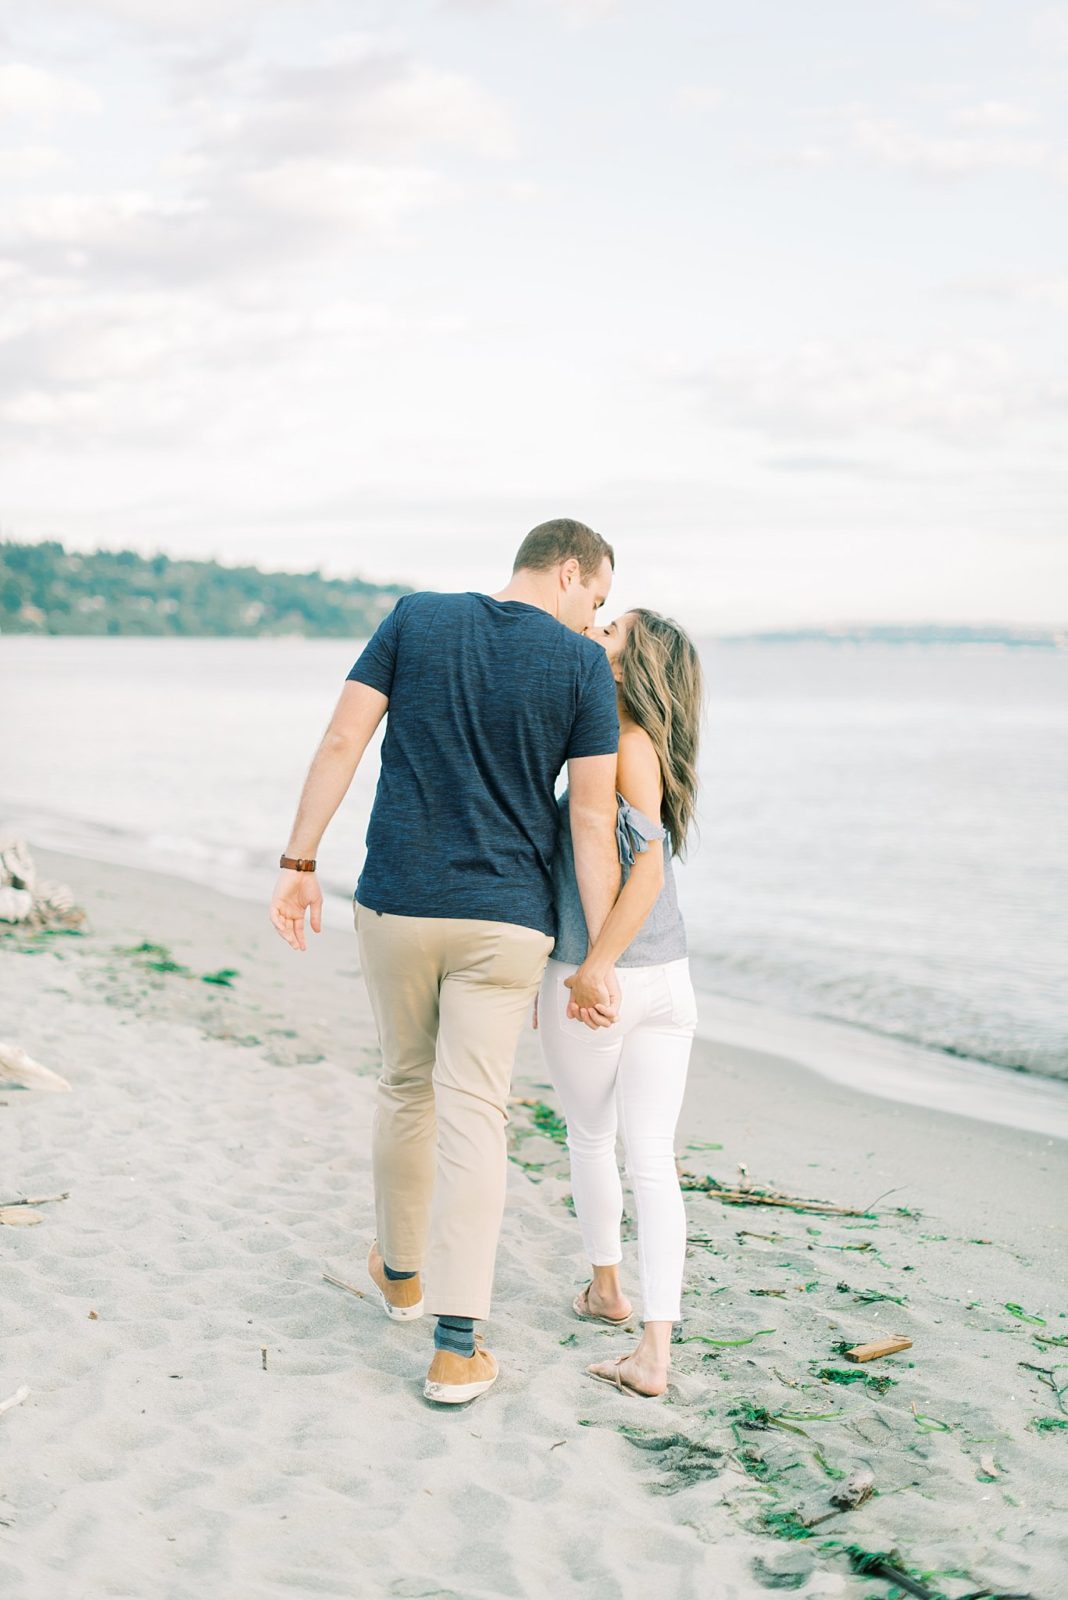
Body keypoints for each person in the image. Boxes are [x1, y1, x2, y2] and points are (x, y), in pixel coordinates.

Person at [269, 519, 623, 1405]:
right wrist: (602, 954)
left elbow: (342, 742)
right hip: (505, 921)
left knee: (403, 1086)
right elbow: (588, 821)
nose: (594, 618)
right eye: (598, 600)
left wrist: (300, 863)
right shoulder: (581, 667)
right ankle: (458, 1347)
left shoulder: (415, 620)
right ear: (570, 571)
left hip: (396, 901)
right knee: (477, 1115)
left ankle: (399, 1275)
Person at [537, 608, 703, 1398]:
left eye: (612, 632)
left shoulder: (626, 745)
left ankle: (613, 1296)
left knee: (596, 1139)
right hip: (668, 979)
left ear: (631, 664)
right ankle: (650, 1347)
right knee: (652, 1158)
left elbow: (647, 873)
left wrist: (592, 967)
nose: (595, 635)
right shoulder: (640, 744)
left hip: (606, 975)